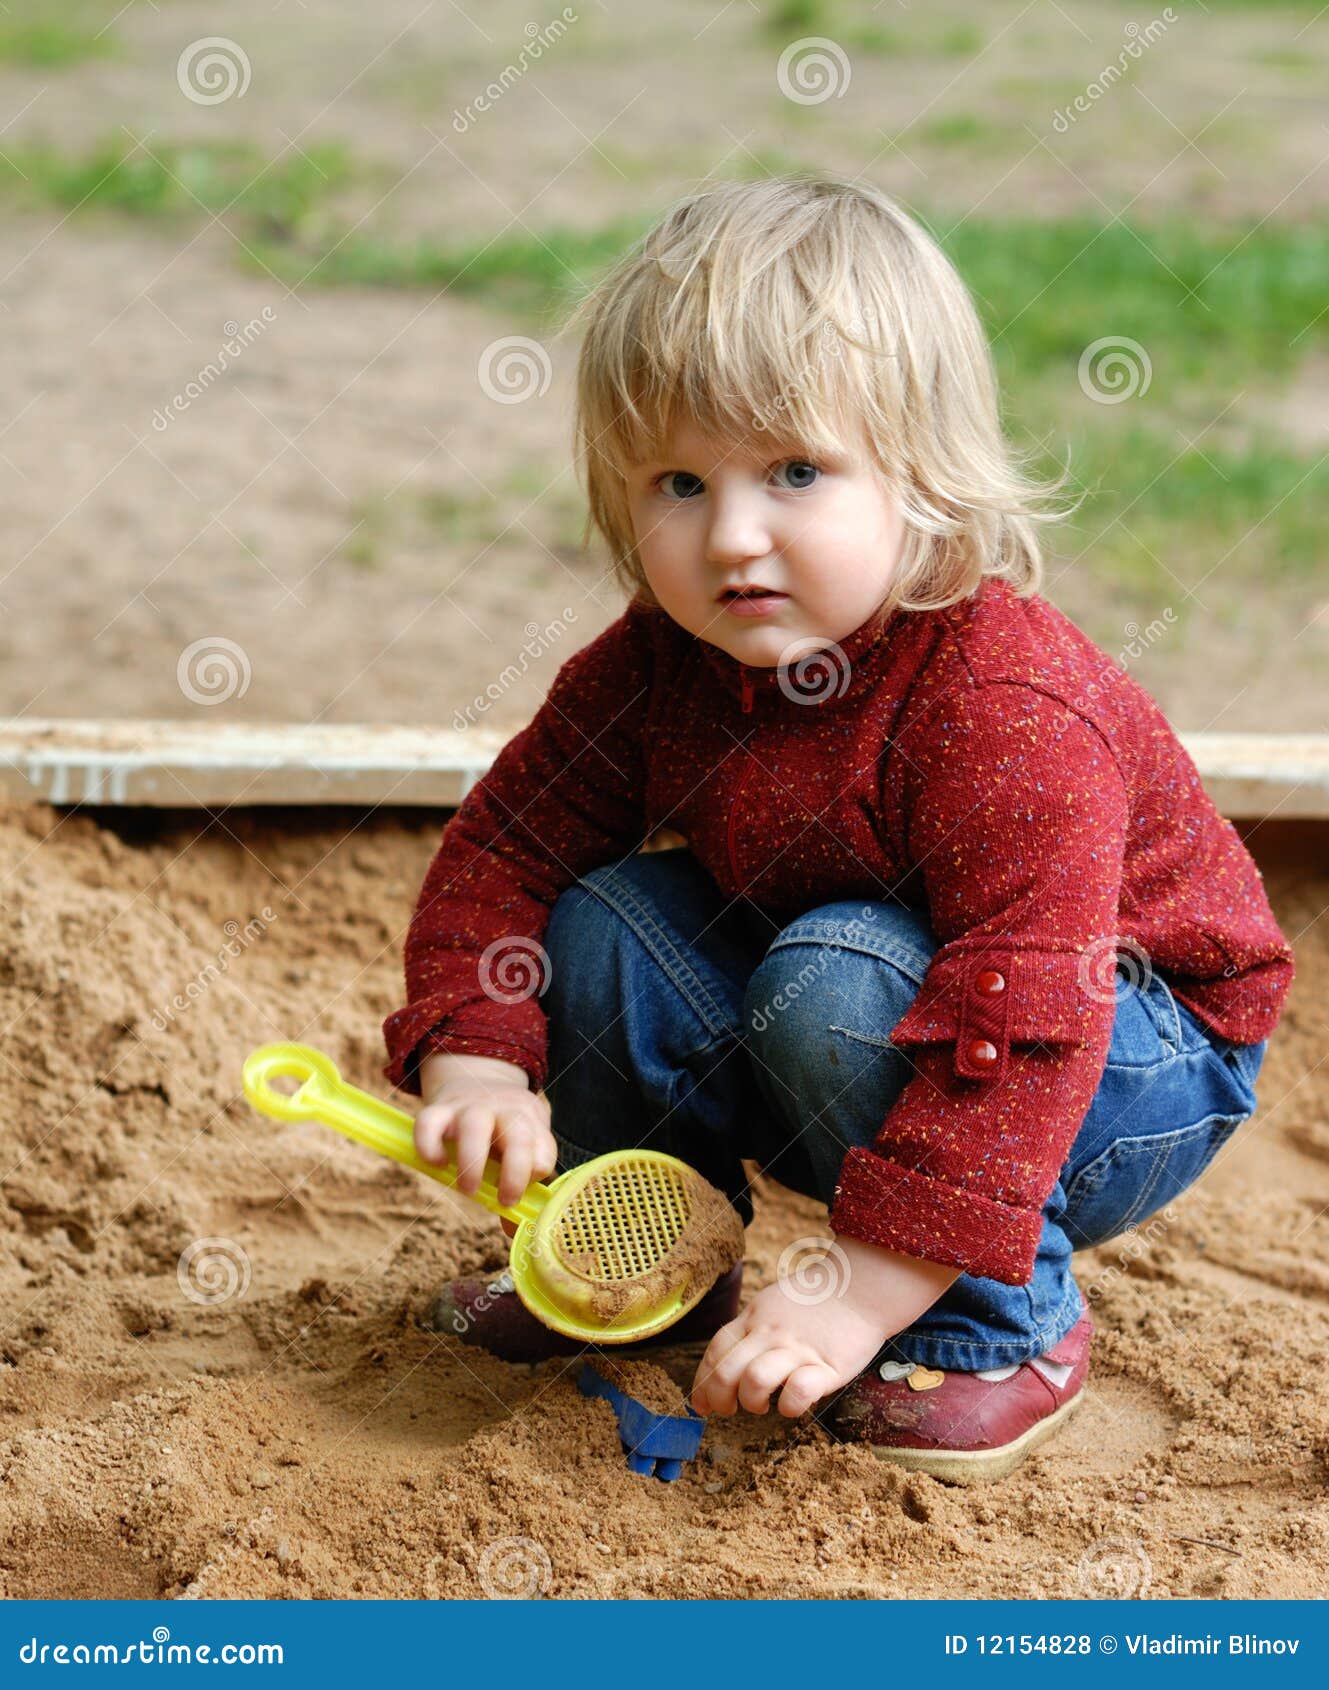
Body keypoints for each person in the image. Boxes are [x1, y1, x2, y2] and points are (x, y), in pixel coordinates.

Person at [381, 174, 1294, 1482]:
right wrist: (474, 1052)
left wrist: (854, 1290)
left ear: (921, 482)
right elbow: (506, 849)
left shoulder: (998, 703)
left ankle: (996, 1323)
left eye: (794, 471)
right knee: (604, 923)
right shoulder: (654, 666)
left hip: (1123, 1056)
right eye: (679, 482)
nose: (733, 536)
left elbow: (1030, 1016)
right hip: (872, 1010)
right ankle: (649, 1251)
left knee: (835, 969)